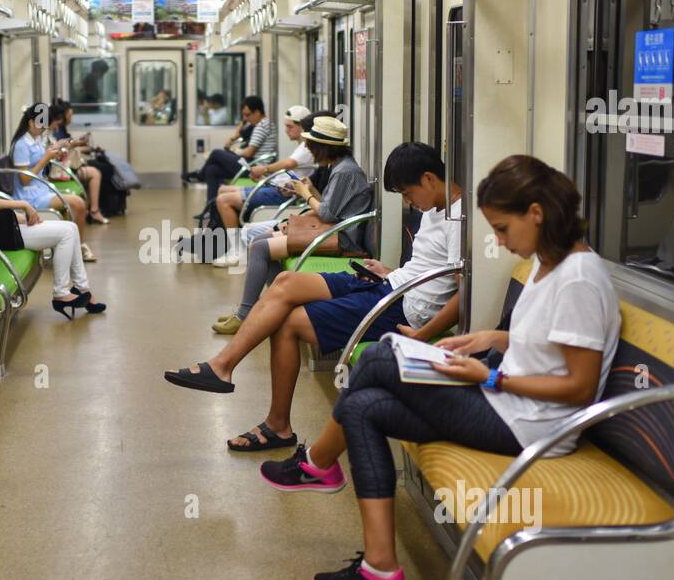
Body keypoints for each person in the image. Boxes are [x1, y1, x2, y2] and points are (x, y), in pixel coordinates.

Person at [257, 155, 620, 580]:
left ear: (537, 214)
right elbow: (548, 345)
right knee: (361, 408)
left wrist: (488, 376)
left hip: (531, 425)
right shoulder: (551, 263)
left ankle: (317, 463)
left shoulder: (579, 279)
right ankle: (380, 568)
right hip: (509, 403)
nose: (501, 243)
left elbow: (580, 388)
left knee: (386, 354)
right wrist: (491, 337)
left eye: (503, 229)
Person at [165, 142, 462, 454]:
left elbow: (462, 292)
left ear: (429, 179)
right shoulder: (435, 208)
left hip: (403, 308)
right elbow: (429, 267)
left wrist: (423, 334)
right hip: (391, 285)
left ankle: (275, 423)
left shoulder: (460, 218)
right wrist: (389, 271)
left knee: (287, 324)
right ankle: (223, 366)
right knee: (286, 281)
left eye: (407, 193)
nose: (409, 202)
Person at [209, 114, 370, 334]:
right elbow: (330, 208)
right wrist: (311, 190)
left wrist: (305, 194)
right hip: (332, 230)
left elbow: (327, 212)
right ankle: (271, 307)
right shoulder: (341, 167)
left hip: (342, 238)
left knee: (259, 248)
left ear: (323, 148)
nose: (311, 152)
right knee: (259, 242)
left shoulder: (344, 171)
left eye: (312, 147)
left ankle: (247, 314)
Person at [0, 120, 105, 319]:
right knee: (66, 233)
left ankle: (82, 290)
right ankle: (61, 293)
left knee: (70, 227)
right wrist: (23, 205)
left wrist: (20, 218)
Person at [211, 104, 314, 243]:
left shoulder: (308, 147)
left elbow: (289, 164)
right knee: (223, 190)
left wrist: (264, 169)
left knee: (223, 200)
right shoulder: (302, 146)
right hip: (276, 187)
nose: (286, 131)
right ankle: (218, 239)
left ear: (302, 126)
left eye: (290, 127)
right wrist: (266, 178)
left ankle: (235, 248)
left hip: (281, 194)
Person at [10, 103, 96, 262]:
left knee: (71, 207)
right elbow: (24, 179)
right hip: (30, 196)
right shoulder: (21, 145)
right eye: (41, 125)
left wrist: (56, 148)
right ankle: (80, 247)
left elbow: (39, 162)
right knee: (79, 204)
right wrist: (46, 158)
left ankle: (72, 248)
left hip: (41, 190)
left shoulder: (35, 139)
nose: (44, 130)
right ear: (30, 123)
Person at [181, 95, 277, 197]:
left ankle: (200, 175)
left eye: (248, 115)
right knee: (212, 170)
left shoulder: (261, 127)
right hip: (250, 163)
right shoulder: (258, 125)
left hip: (254, 167)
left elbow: (249, 153)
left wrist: (235, 151)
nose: (246, 118)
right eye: (244, 115)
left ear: (257, 112)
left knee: (216, 153)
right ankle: (211, 211)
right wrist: (241, 124)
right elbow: (239, 134)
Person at [47, 100, 110, 225]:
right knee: (97, 172)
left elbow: (62, 148)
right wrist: (76, 145)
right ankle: (94, 211)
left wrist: (76, 145)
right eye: (69, 115)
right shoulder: (53, 132)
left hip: (64, 165)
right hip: (62, 169)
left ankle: (93, 209)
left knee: (101, 168)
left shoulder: (56, 131)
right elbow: (59, 152)